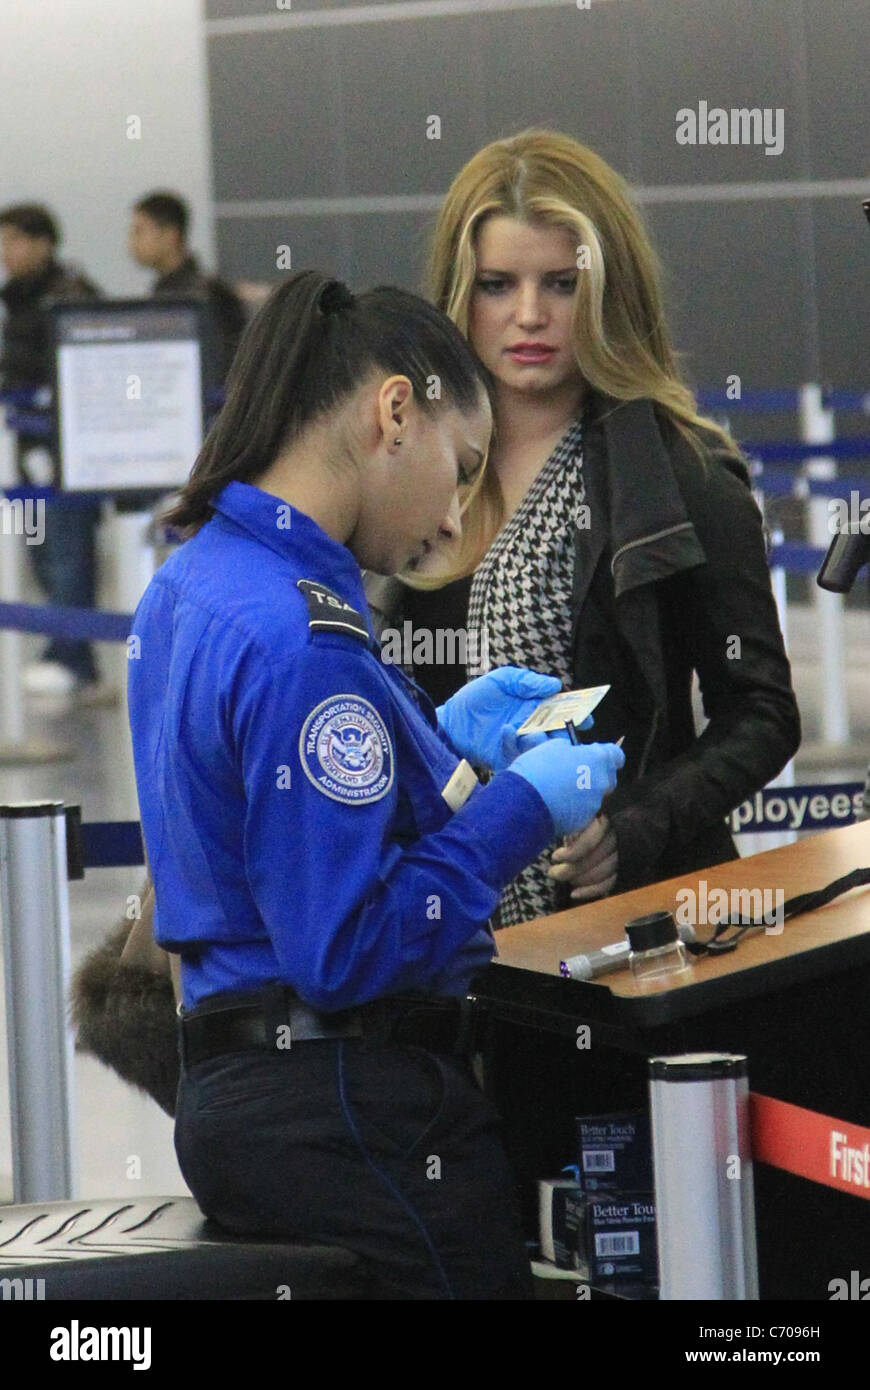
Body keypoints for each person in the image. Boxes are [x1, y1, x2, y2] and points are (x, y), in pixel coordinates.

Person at [126, 268, 625, 1300]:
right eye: (461, 468)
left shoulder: (198, 580)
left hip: (246, 1094)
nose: (451, 522)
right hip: (352, 1110)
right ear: (397, 410)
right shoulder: (306, 635)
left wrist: (437, 740)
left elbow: (267, 820)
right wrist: (522, 809)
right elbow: (344, 948)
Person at [370, 128, 801, 925]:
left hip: (631, 929)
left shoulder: (679, 471)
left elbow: (762, 712)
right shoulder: (404, 469)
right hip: (433, 928)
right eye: (498, 284)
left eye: (562, 284)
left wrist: (632, 827)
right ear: (459, 292)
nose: (528, 315)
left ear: (608, 288)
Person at [0, 203, 107, 698]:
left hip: (69, 453)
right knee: (40, 553)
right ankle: (73, 657)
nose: (7, 253)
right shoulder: (17, 302)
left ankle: (68, 657)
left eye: (16, 240)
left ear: (44, 243)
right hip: (28, 450)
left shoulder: (70, 298)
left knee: (68, 554)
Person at [128, 191, 246, 386]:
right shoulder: (174, 291)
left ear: (169, 235)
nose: (132, 242)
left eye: (139, 231)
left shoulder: (200, 297)